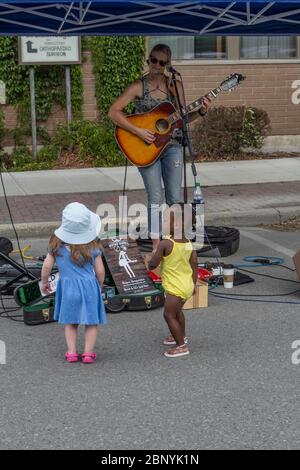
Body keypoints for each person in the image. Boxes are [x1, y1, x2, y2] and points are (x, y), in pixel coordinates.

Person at [108, 43, 211, 252]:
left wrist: (200, 112)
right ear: (148, 60)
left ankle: (174, 244)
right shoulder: (138, 86)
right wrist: (138, 131)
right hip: (144, 146)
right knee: (155, 196)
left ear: (168, 64)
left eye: (161, 62)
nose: (156, 64)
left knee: (174, 196)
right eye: (153, 60)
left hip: (172, 145)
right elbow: (114, 112)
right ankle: (156, 246)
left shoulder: (175, 86)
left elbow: (182, 118)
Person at [41, 202, 107, 364]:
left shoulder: (56, 245)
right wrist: (100, 283)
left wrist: (44, 282)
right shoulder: (94, 246)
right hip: (89, 287)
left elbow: (47, 266)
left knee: (71, 322)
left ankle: (71, 352)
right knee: (91, 322)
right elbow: (100, 270)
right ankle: (88, 353)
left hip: (68, 288)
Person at [148, 203, 198, 358]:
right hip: (187, 285)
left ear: (175, 224)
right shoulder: (189, 243)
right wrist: (194, 284)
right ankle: (180, 335)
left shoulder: (165, 244)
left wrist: (154, 255)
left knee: (168, 315)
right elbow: (194, 265)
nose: (162, 224)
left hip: (174, 288)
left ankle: (181, 345)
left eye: (164, 220)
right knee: (177, 312)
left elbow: (152, 265)